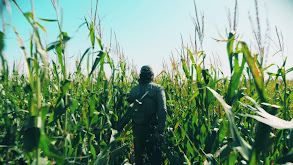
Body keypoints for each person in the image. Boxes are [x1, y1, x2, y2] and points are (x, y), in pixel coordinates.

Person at [127, 65, 167, 165]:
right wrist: (160, 130)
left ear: (140, 76)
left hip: (137, 130)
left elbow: (130, 110)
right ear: (152, 76)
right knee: (154, 159)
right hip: (153, 130)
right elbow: (163, 110)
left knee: (139, 159)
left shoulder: (133, 90)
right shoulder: (158, 89)